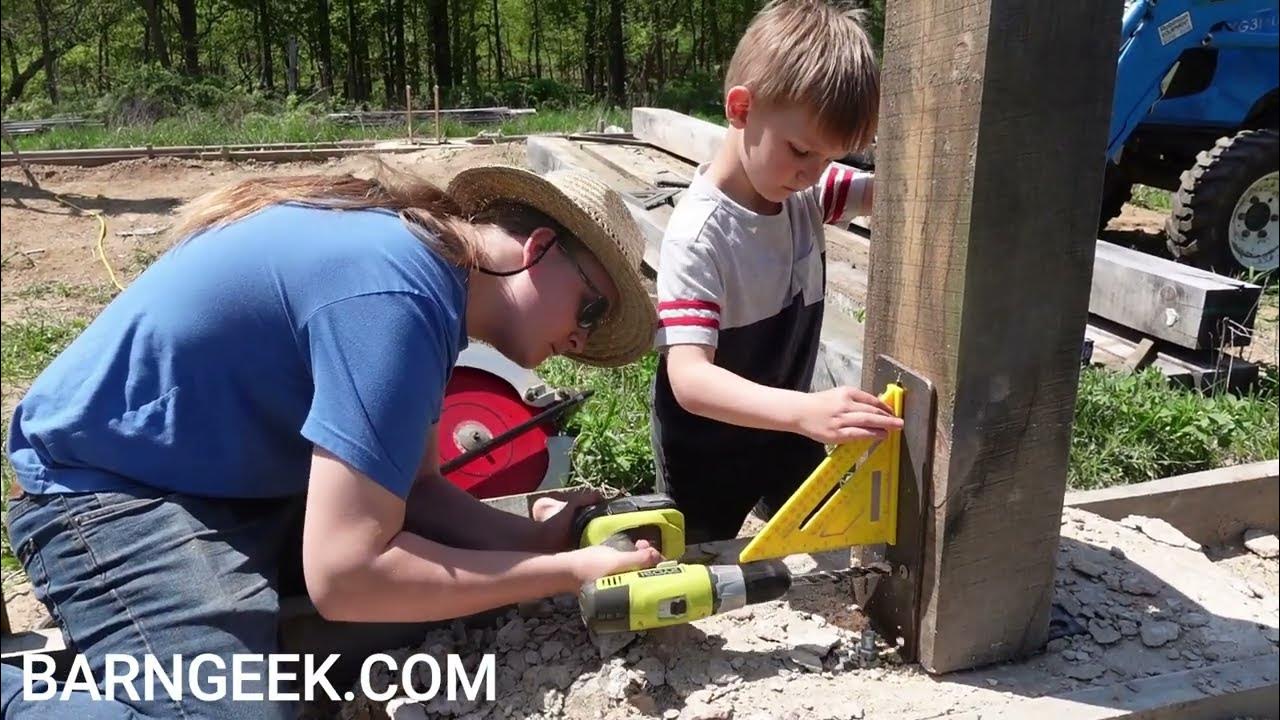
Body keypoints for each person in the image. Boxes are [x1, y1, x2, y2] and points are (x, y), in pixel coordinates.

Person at [2, 162, 663, 718]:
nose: (580, 341)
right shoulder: (394, 292)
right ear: (539, 247)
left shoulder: (425, 277)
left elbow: (417, 490)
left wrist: (530, 543)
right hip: (103, 492)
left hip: (220, 482)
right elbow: (346, 577)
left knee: (423, 608)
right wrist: (562, 573)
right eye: (591, 309)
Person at [651, 0, 904, 543]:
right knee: (701, 563)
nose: (813, 172)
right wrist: (803, 412)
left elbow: (885, 190)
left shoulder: (800, 192)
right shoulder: (700, 235)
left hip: (786, 428)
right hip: (707, 448)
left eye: (829, 157)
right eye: (802, 151)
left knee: (825, 530)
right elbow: (690, 380)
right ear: (741, 110)